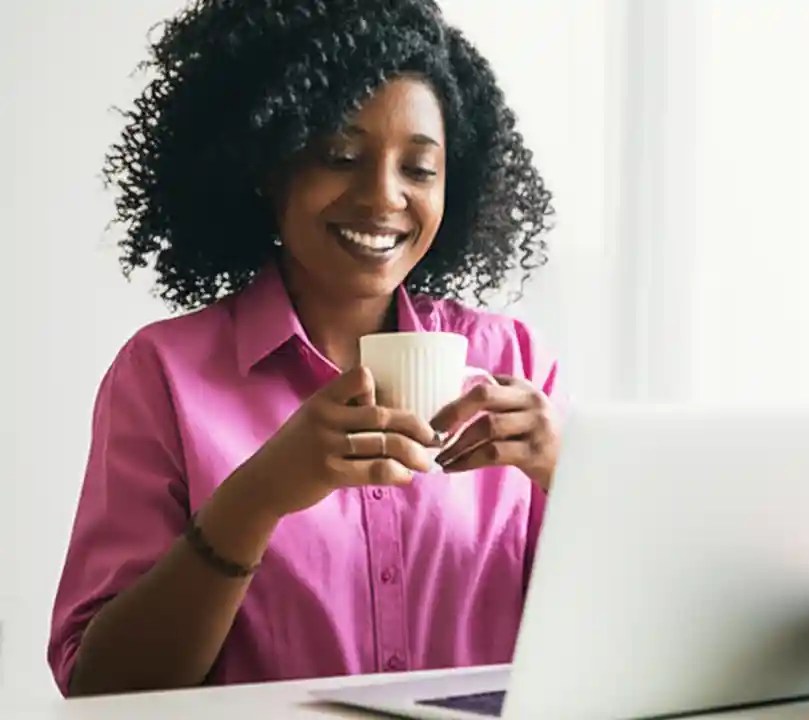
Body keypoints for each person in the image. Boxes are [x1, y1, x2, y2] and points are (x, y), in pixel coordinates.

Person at [47, 0, 560, 697]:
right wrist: (256, 499)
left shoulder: (512, 363)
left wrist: (567, 478)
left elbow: (627, 640)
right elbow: (101, 688)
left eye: (420, 169)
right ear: (266, 164)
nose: (384, 197)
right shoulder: (164, 377)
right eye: (341, 156)